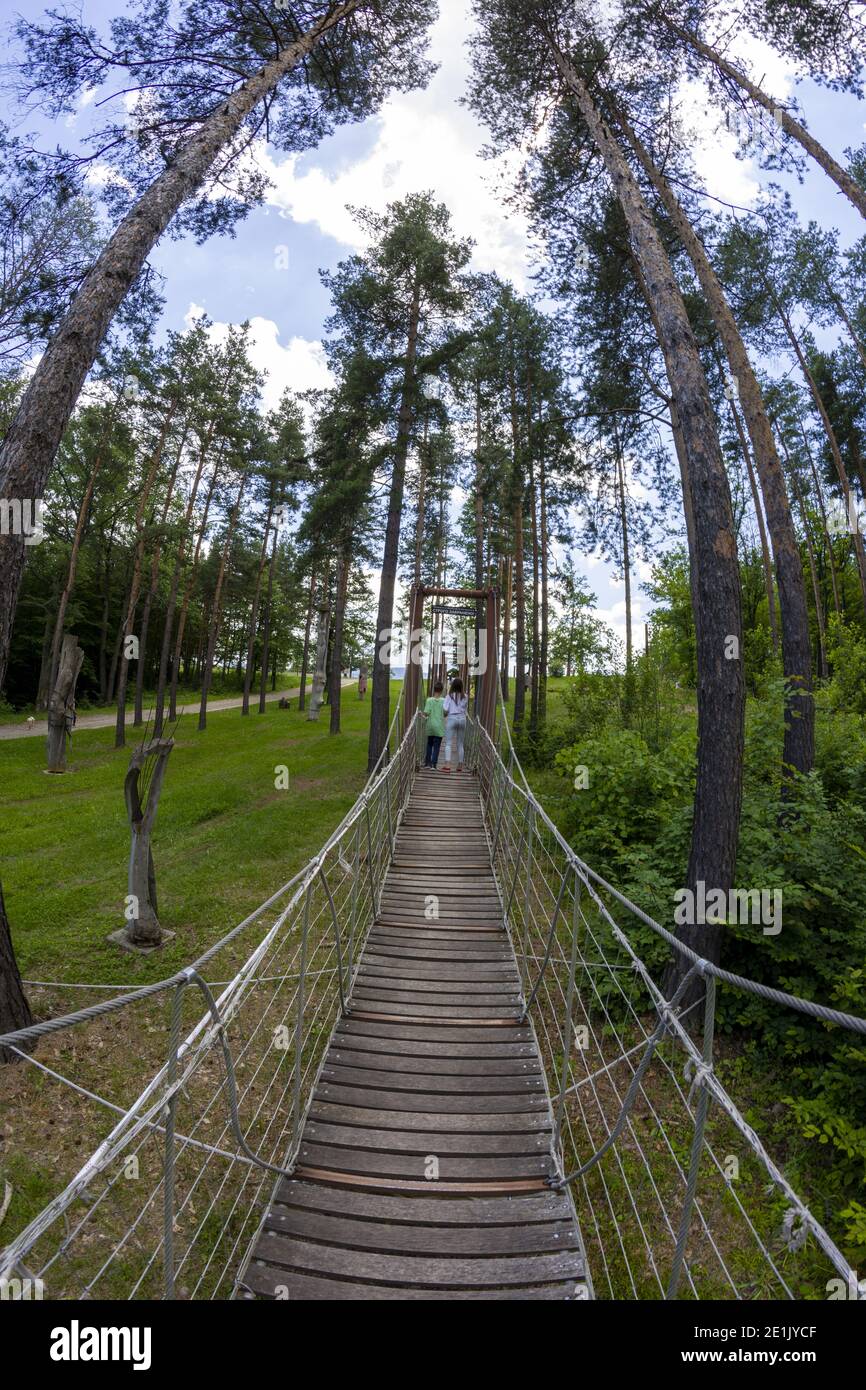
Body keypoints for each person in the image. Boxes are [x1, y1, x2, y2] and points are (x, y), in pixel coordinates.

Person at [442, 677, 468, 773]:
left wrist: (445, 714)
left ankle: (447, 765)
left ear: (452, 686)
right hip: (462, 719)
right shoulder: (465, 696)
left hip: (452, 718)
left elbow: (445, 709)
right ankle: (460, 765)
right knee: (460, 744)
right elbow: (465, 709)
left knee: (448, 743)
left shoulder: (449, 696)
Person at [421, 680, 445, 768]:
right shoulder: (444, 700)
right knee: (437, 746)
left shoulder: (429, 700)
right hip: (439, 727)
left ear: (433, 690)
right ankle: (434, 764)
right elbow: (446, 713)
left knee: (429, 744)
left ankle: (427, 763)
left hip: (430, 726)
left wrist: (422, 715)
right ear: (442, 690)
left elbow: (426, 713)